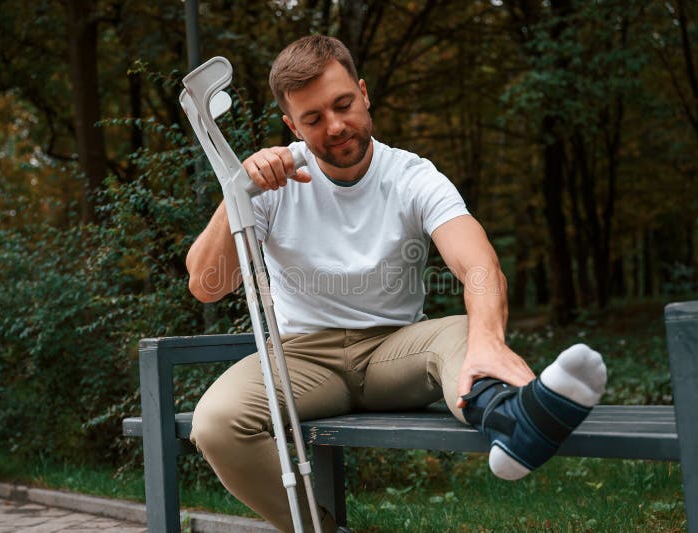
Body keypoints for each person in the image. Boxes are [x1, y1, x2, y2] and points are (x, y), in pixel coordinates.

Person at [185, 35, 606, 533]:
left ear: (364, 93)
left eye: (343, 105)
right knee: (212, 424)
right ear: (291, 126)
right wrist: (237, 190)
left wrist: (489, 341)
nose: (336, 126)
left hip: (394, 351)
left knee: (461, 332)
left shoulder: (412, 176)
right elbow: (207, 285)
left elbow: (479, 267)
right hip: (301, 358)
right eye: (314, 118)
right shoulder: (271, 184)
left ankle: (513, 421)